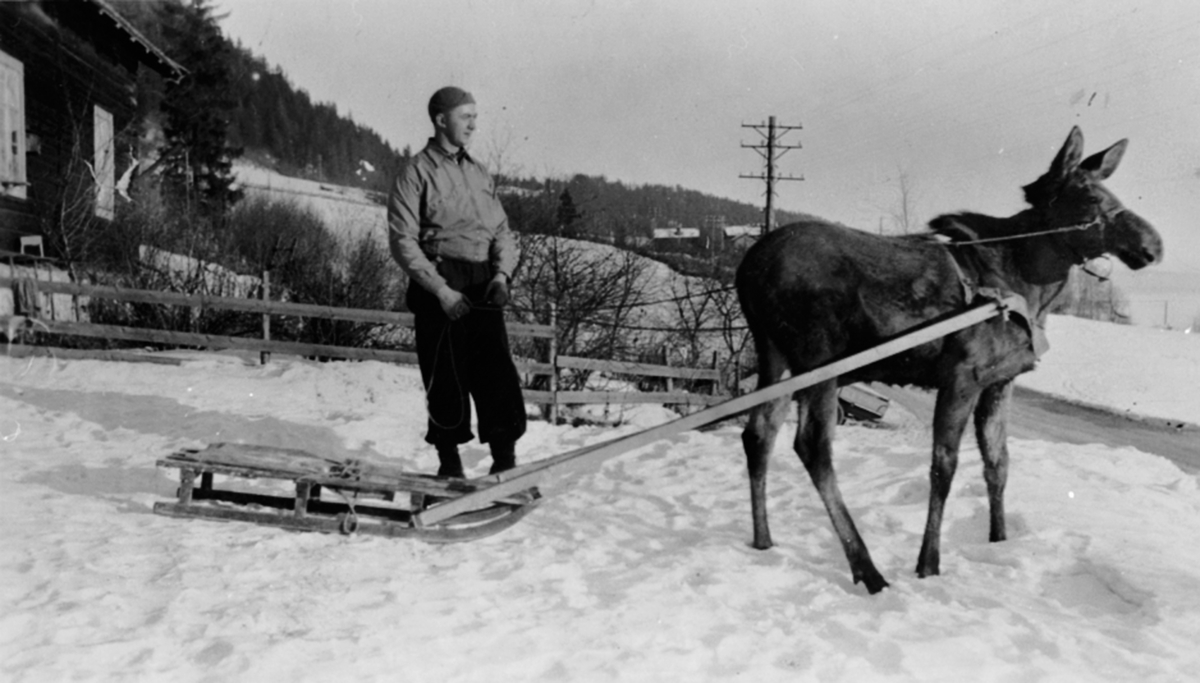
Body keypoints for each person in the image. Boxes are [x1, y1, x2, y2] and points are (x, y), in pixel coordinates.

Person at [386, 86, 526, 478]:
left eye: (475, 117)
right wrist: (442, 291)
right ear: (440, 120)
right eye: (466, 117)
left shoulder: (478, 172)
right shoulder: (415, 172)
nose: (473, 125)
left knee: (497, 372)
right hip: (441, 280)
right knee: (445, 376)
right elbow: (402, 241)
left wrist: (501, 276)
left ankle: (505, 464)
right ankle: (449, 466)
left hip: (483, 281)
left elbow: (501, 229)